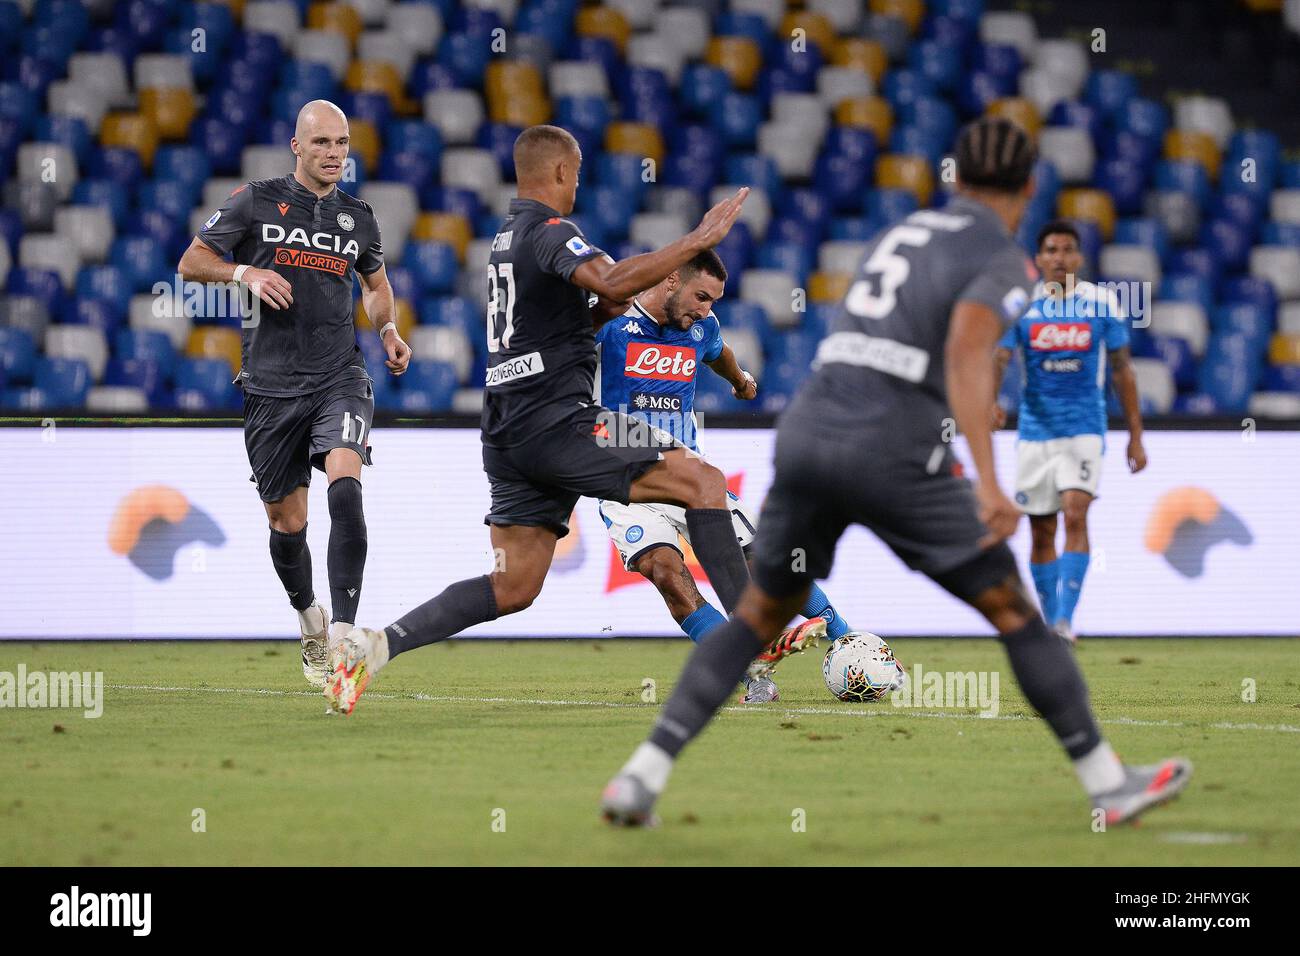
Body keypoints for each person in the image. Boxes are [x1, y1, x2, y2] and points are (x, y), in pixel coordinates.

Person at [600, 117, 1190, 828]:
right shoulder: (1001, 259)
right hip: (893, 444)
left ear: (956, 180)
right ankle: (1108, 782)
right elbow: (971, 361)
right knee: (1010, 609)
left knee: (756, 612)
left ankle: (640, 776)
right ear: (1028, 189)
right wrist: (991, 483)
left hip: (811, 429)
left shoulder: (900, 235)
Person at [324, 125, 752, 715]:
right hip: (566, 421)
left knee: (513, 585)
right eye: (574, 174)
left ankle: (373, 648)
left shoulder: (506, 240)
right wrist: (696, 239)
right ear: (557, 173)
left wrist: (598, 312)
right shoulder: (550, 231)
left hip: (508, 431)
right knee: (703, 480)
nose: (576, 184)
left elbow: (577, 315)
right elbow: (610, 279)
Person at [178, 100, 411, 686]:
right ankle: (311, 619)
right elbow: (191, 261)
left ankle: (345, 638)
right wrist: (243, 273)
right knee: (288, 523)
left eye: (343, 143)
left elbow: (377, 285)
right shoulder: (254, 201)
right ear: (297, 147)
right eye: (323, 143)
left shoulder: (359, 218)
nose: (335, 154)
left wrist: (386, 327)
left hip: (340, 377)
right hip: (270, 388)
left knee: (346, 488)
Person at [594, 249, 857, 703]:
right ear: (671, 280)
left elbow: (720, 353)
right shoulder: (612, 323)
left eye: (714, 301)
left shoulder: (701, 328)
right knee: (666, 574)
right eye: (701, 296)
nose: (706, 310)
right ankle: (751, 674)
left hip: (691, 480)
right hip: (623, 484)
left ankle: (850, 642)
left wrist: (739, 380)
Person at [993, 220, 1147, 641]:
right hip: (1035, 431)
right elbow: (1001, 357)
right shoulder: (1022, 304)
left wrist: (1135, 434)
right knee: (1041, 528)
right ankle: (1049, 621)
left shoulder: (1101, 304)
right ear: (1039, 259)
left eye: (1067, 250)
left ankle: (1064, 620)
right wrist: (990, 400)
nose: (1059, 257)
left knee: (1076, 513)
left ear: (1079, 258)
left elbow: (1122, 369)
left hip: (1084, 428)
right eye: (1051, 250)